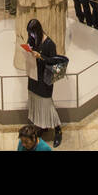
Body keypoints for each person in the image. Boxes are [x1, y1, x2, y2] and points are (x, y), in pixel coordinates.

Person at [23, 18, 63, 146]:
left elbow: (54, 62)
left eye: (32, 33)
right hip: (34, 75)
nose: (31, 36)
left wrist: (40, 56)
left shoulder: (49, 43)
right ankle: (43, 125)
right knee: (36, 100)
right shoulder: (33, 39)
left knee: (47, 104)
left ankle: (58, 130)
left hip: (44, 78)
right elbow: (29, 46)